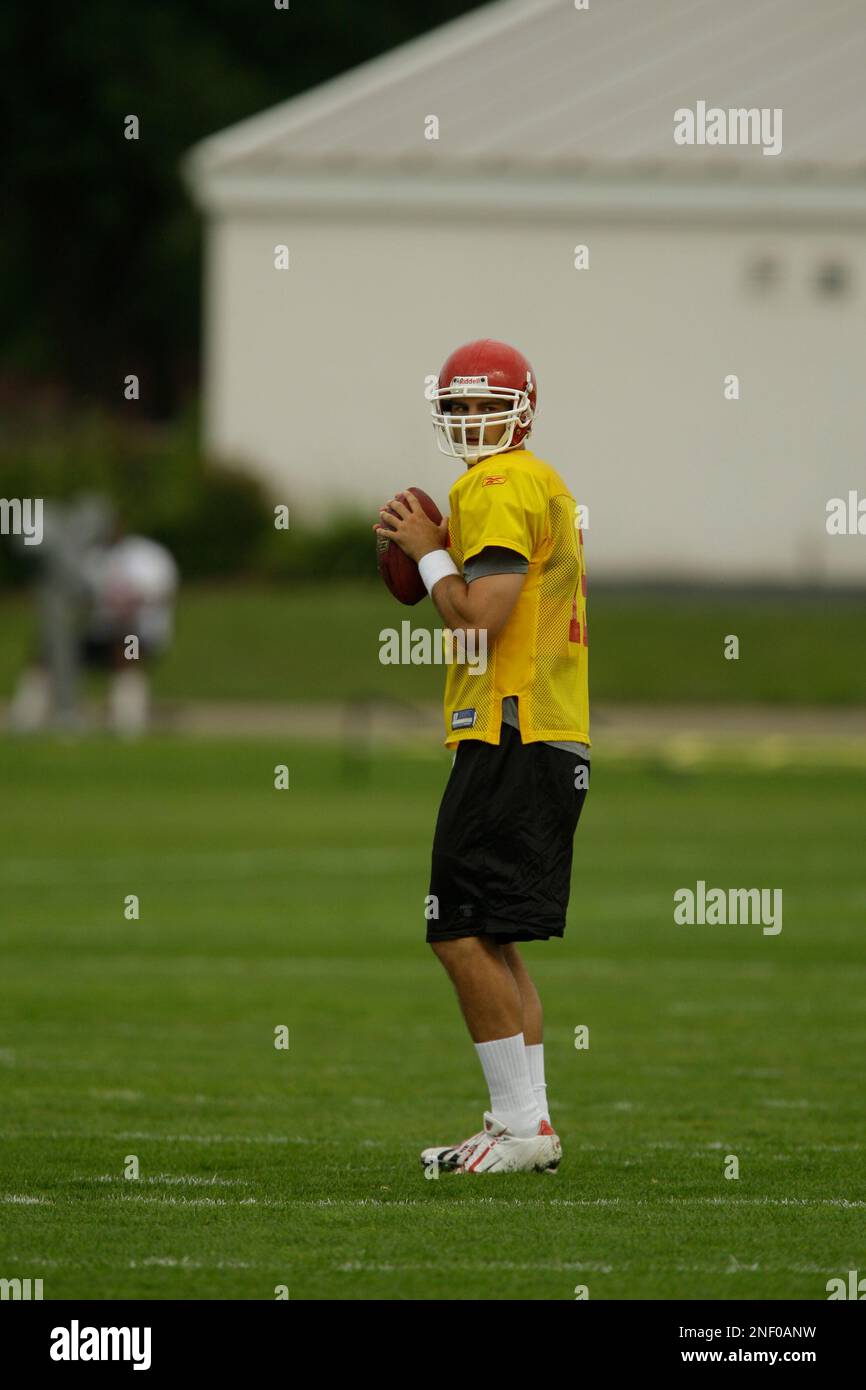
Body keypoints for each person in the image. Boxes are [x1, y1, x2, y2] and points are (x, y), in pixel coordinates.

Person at [374, 338, 590, 1174]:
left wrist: (429, 548)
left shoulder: (497, 483)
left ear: (521, 409)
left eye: (484, 405)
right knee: (493, 937)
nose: (471, 422)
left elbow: (480, 617)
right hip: (539, 730)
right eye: (458, 407)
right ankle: (525, 1126)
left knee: (458, 931)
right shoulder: (538, 482)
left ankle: (520, 1125)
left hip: (514, 729)